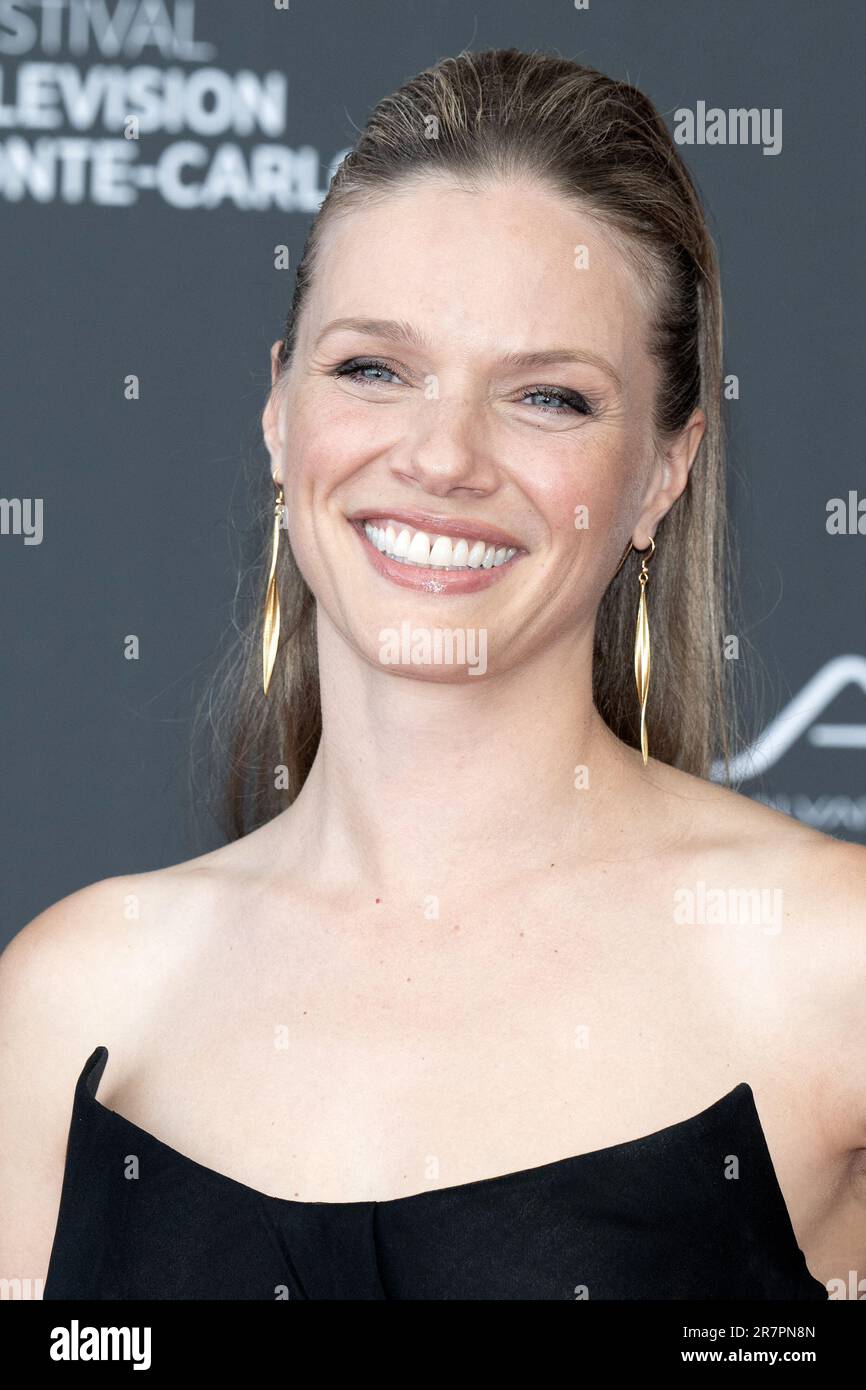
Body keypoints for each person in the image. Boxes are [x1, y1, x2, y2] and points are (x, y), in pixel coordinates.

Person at [2, 48, 863, 1301]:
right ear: (280, 413)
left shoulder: (825, 961)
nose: (442, 454)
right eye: (372, 369)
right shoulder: (71, 1001)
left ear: (663, 473)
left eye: (548, 396)